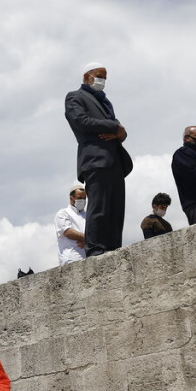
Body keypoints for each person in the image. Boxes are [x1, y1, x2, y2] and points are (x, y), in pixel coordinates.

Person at [64, 62, 133, 256]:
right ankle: (96, 249)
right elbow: (81, 121)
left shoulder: (105, 102)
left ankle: (113, 247)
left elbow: (120, 130)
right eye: (99, 76)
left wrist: (119, 132)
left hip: (115, 161)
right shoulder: (75, 97)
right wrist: (113, 127)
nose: (102, 81)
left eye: (105, 78)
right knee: (99, 206)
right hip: (95, 159)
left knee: (116, 208)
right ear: (87, 77)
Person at [55, 184, 87, 265]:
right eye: (79, 198)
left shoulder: (87, 215)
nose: (82, 201)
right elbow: (68, 232)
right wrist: (89, 239)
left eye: (84, 198)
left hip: (88, 257)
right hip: (71, 259)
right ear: (71, 198)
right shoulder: (63, 213)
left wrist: (88, 241)